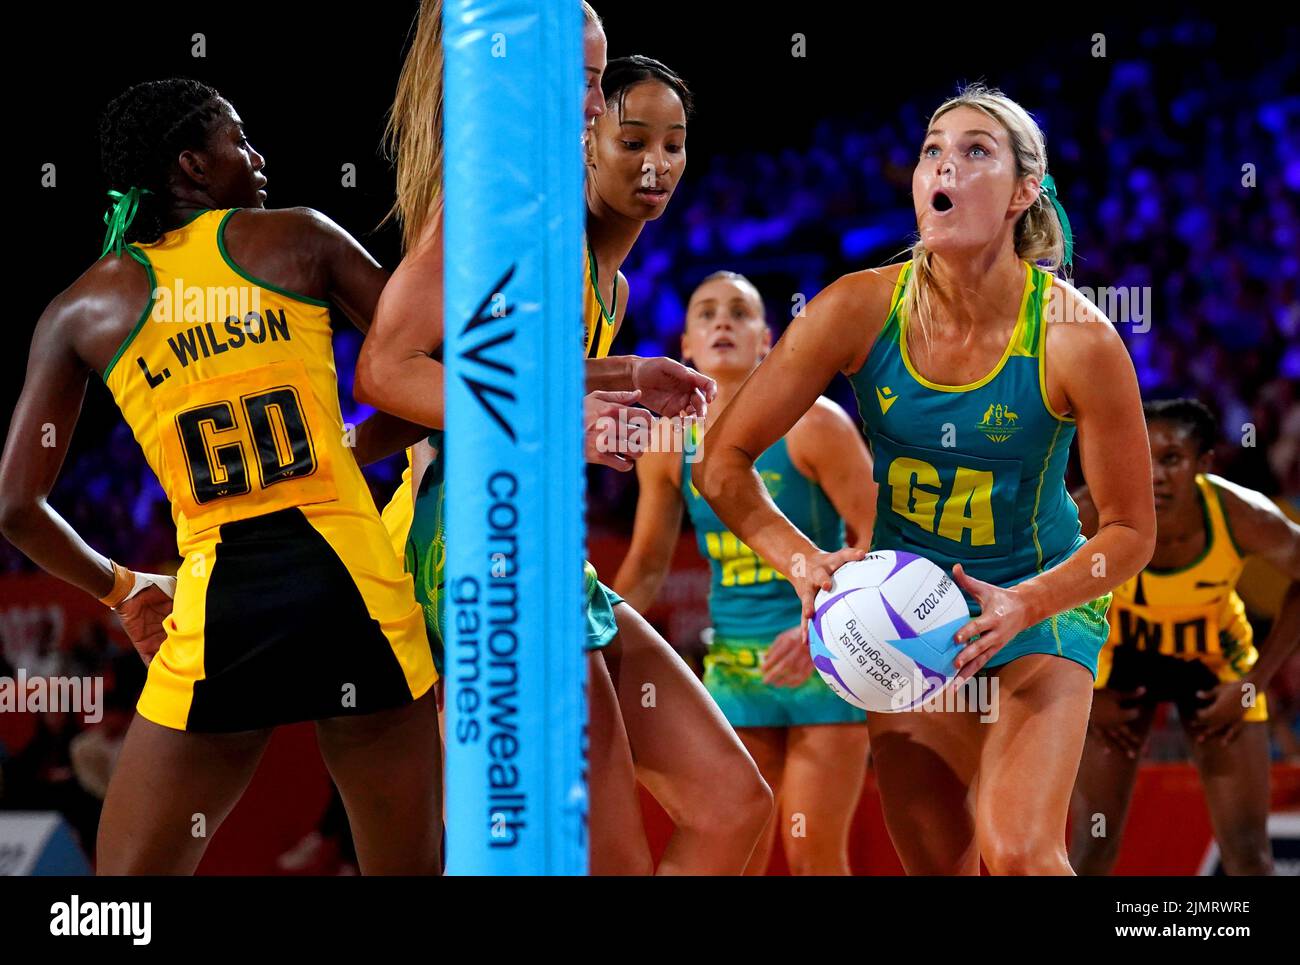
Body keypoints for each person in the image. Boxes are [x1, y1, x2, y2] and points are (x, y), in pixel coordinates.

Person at [696, 83, 1157, 875]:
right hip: (902, 609)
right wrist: (807, 565)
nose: (944, 162)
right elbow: (721, 462)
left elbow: (1131, 531)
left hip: (1036, 599)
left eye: (976, 149)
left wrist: (1029, 602)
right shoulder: (855, 307)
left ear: (1022, 194)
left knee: (1019, 855)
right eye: (932, 149)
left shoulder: (1080, 337)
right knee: (940, 865)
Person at [357, 2, 770, 874]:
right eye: (582, 84)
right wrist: (560, 415)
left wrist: (621, 374)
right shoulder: (493, 202)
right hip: (472, 536)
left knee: (733, 807)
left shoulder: (588, 266)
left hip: (544, 539)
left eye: (595, 81)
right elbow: (387, 371)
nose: (594, 103)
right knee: (600, 856)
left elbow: (501, 372)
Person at [0, 79, 441, 874]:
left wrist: (124, 587)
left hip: (220, 614)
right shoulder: (298, 238)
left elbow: (16, 508)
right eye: (240, 139)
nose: (259, 156)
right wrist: (348, 446)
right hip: (357, 594)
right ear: (192, 165)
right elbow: (435, 379)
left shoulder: (82, 307)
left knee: (121, 902)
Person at [614, 271, 875, 874]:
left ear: (768, 341)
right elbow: (649, 566)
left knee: (813, 856)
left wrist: (827, 634)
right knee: (740, 851)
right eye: (706, 314)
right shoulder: (669, 442)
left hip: (828, 662)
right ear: (685, 347)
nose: (722, 322)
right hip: (735, 667)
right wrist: (593, 639)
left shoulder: (817, 423)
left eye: (739, 312)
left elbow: (879, 538)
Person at [1070, 398, 1300, 875]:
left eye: (1171, 459)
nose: (1154, 474)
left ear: (1204, 463)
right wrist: (1084, 697)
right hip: (1117, 667)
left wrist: (1255, 681)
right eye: (1144, 456)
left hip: (1216, 665)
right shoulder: (1091, 510)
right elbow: (1032, 593)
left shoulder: (1243, 516)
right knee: (1091, 849)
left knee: (1248, 854)